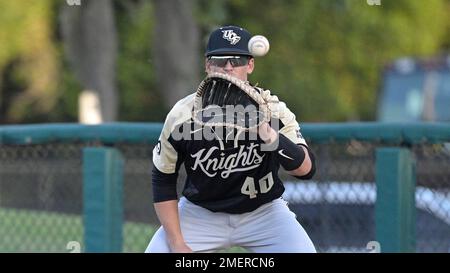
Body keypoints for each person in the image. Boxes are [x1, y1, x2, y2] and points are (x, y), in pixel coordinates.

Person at [145, 25, 317, 253]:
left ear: (250, 64)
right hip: (200, 214)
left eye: (236, 60)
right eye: (220, 60)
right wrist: (177, 243)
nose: (228, 67)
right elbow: (163, 179)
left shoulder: (272, 110)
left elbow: (306, 170)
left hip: (263, 213)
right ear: (208, 65)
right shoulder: (183, 114)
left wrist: (265, 130)